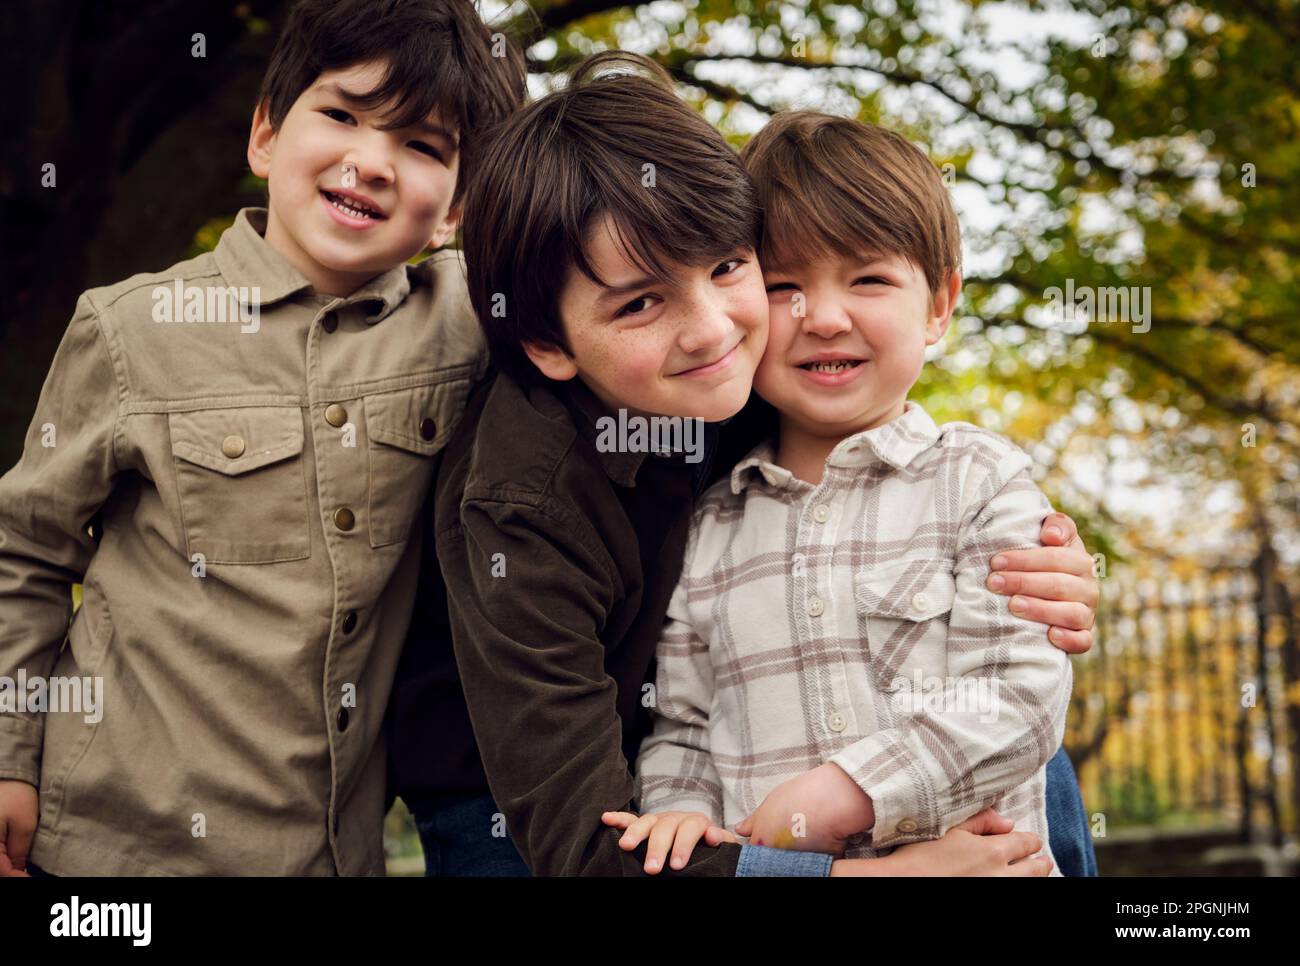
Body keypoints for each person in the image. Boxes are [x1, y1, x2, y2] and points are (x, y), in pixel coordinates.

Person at [390, 52, 1099, 876]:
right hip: (527, 800)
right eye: (641, 302)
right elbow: (588, 848)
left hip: (782, 762)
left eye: (730, 267)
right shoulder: (524, 501)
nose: (712, 330)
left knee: (1032, 762)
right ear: (548, 342)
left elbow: (1000, 649)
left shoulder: (782, 371)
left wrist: (1053, 568)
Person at [0, 0, 525, 875]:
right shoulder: (133, 328)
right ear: (264, 137)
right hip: (112, 844)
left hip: (329, 852)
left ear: (456, 211)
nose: (371, 161)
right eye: (342, 115)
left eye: (422, 146)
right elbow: (24, 555)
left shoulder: (472, 323)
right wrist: (7, 757)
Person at [620, 111, 1082, 876]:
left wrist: (843, 795)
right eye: (782, 286)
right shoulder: (709, 525)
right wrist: (681, 812)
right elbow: (683, 724)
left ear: (939, 304)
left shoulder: (979, 482)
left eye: (868, 279)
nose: (824, 317)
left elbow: (1018, 695)